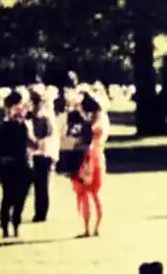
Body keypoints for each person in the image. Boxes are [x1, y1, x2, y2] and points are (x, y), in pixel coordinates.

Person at [0, 90, 35, 238]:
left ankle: (9, 224)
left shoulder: (5, 125)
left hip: (12, 163)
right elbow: (33, 143)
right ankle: (11, 224)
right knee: (15, 196)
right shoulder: (13, 125)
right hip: (17, 163)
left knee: (11, 196)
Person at [72, 93, 108, 237]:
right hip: (96, 158)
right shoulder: (99, 121)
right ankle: (94, 227)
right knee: (93, 194)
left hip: (89, 159)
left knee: (87, 194)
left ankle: (89, 227)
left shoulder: (92, 124)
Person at [28, 86, 58, 223]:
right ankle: (38, 211)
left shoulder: (46, 118)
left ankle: (43, 212)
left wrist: (38, 141)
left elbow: (49, 133)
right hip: (33, 154)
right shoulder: (29, 117)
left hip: (45, 154)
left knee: (44, 186)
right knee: (37, 185)